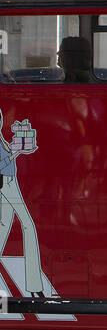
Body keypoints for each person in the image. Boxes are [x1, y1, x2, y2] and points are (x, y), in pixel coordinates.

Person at [0, 110, 44, 296]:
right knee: (28, 226)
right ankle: (35, 288)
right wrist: (17, 151)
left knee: (2, 231)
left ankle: (35, 288)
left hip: (10, 182)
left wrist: (20, 150)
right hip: (6, 184)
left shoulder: (0, 138)